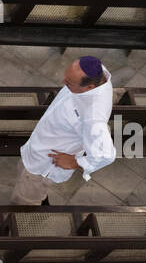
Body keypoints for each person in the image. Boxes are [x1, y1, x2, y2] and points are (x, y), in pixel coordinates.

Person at [11, 56, 116, 206]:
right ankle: (42, 200)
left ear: (90, 87)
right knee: (24, 172)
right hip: (40, 143)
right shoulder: (99, 73)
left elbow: (106, 155)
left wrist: (75, 162)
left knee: (24, 201)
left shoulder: (92, 117)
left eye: (69, 82)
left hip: (44, 164)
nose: (63, 82)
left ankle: (22, 222)